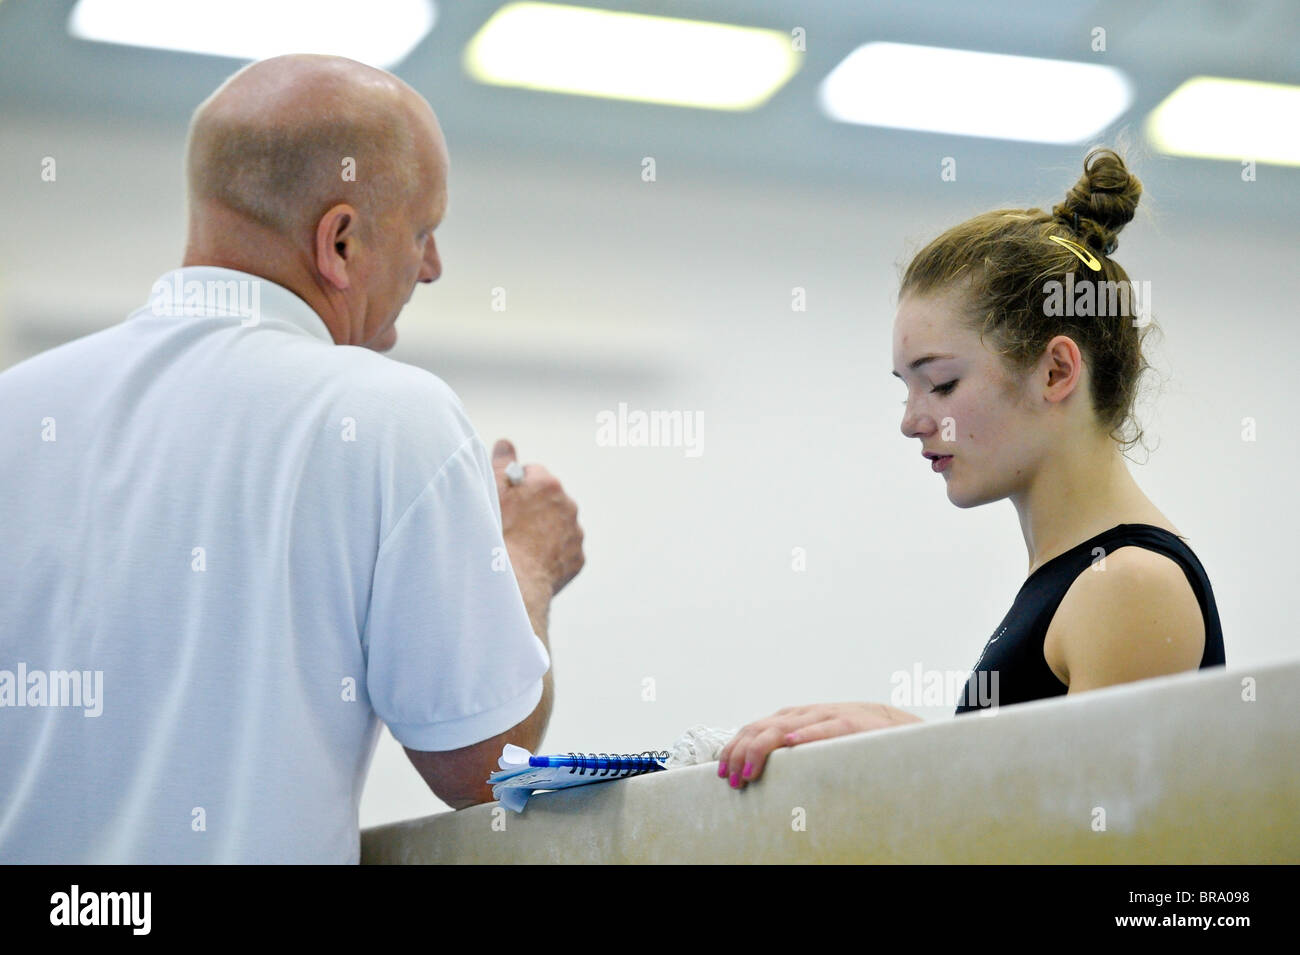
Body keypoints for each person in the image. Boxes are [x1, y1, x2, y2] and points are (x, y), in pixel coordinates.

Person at [0, 54, 584, 862]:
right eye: (422, 231)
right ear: (339, 241)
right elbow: (490, 767)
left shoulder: (14, 410)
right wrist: (527, 558)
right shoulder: (387, 413)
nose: (434, 265)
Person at [719, 147, 1226, 789]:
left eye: (942, 383)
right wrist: (922, 741)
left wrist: (920, 751)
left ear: (1056, 371)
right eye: (905, 387)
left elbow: (1103, 850)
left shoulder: (1129, 587)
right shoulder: (1076, 582)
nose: (911, 420)